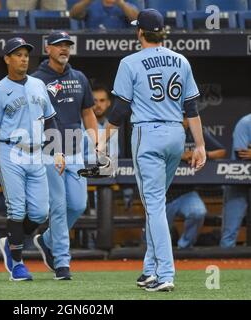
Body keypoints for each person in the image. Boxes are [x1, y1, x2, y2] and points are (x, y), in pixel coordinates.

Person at [98, 9, 206, 291]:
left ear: (140, 33)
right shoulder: (180, 60)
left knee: (154, 204)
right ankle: (149, 269)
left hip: (148, 134)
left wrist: (102, 138)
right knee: (154, 204)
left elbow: (120, 109)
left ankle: (165, 274)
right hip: (175, 135)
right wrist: (201, 145)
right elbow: (191, 108)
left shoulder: (130, 62)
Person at [0, 37, 65, 281]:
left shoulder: (39, 84)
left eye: (26, 55)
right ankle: (17, 265)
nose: (23, 58)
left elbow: (50, 119)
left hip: (37, 152)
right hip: (11, 151)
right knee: (17, 209)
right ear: (7, 59)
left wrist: (58, 150)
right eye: (17, 54)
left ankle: (11, 243)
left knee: (41, 212)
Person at [31, 30, 99, 280]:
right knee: (58, 207)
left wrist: (96, 140)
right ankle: (62, 264)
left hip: (75, 150)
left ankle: (47, 240)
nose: (64, 49)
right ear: (47, 48)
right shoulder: (36, 80)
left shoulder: (79, 77)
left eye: (67, 45)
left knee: (79, 204)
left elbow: (88, 112)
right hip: (50, 150)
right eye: (59, 45)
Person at [166, 115, 226, 249]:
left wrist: (202, 154)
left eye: (187, 118)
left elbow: (222, 152)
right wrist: (180, 155)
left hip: (186, 192)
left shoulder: (194, 133)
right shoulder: (163, 132)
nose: (184, 121)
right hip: (162, 192)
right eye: (181, 117)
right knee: (152, 236)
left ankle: (185, 247)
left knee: (198, 212)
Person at [220, 113, 251, 248]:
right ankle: (225, 266)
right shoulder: (246, 122)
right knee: (230, 232)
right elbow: (242, 154)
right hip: (238, 181)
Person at [70, 0, 138, 30]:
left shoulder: (126, 5)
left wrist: (121, 3)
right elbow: (74, 15)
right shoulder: (92, 5)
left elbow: (136, 19)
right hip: (92, 42)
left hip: (120, 43)